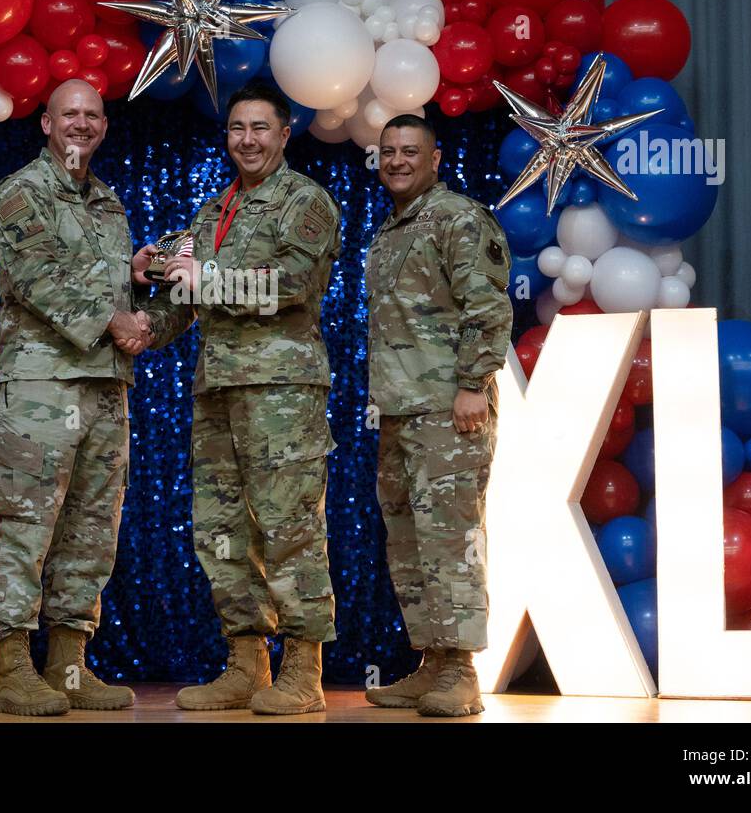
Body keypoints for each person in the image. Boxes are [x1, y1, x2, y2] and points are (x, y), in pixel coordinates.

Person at [140, 81, 341, 715]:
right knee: (220, 530)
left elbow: (293, 283)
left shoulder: (304, 202)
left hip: (282, 391)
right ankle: (246, 662)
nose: (247, 140)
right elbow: (185, 293)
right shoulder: (214, 211)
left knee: (289, 529)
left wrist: (208, 276)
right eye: (236, 129)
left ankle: (303, 671)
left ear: (284, 135)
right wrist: (145, 316)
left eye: (260, 128)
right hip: (218, 392)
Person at [0, 78, 151, 716]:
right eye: (68, 114)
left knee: (90, 530)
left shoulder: (108, 206)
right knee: (26, 525)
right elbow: (38, 277)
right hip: (38, 384)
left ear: (102, 127)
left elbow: (101, 285)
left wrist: (136, 279)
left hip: (105, 387)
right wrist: (115, 319)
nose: (80, 123)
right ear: (46, 124)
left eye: (92, 115)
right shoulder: (20, 192)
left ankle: (69, 665)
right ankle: (13, 670)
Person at [362, 113, 513, 717]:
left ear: (435, 156)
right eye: (388, 152)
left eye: (409, 151)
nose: (397, 161)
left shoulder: (458, 218)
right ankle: (430, 662)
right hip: (399, 413)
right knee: (409, 542)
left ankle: (462, 672)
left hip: (450, 411)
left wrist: (474, 382)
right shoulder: (394, 229)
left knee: (451, 539)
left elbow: (488, 306)